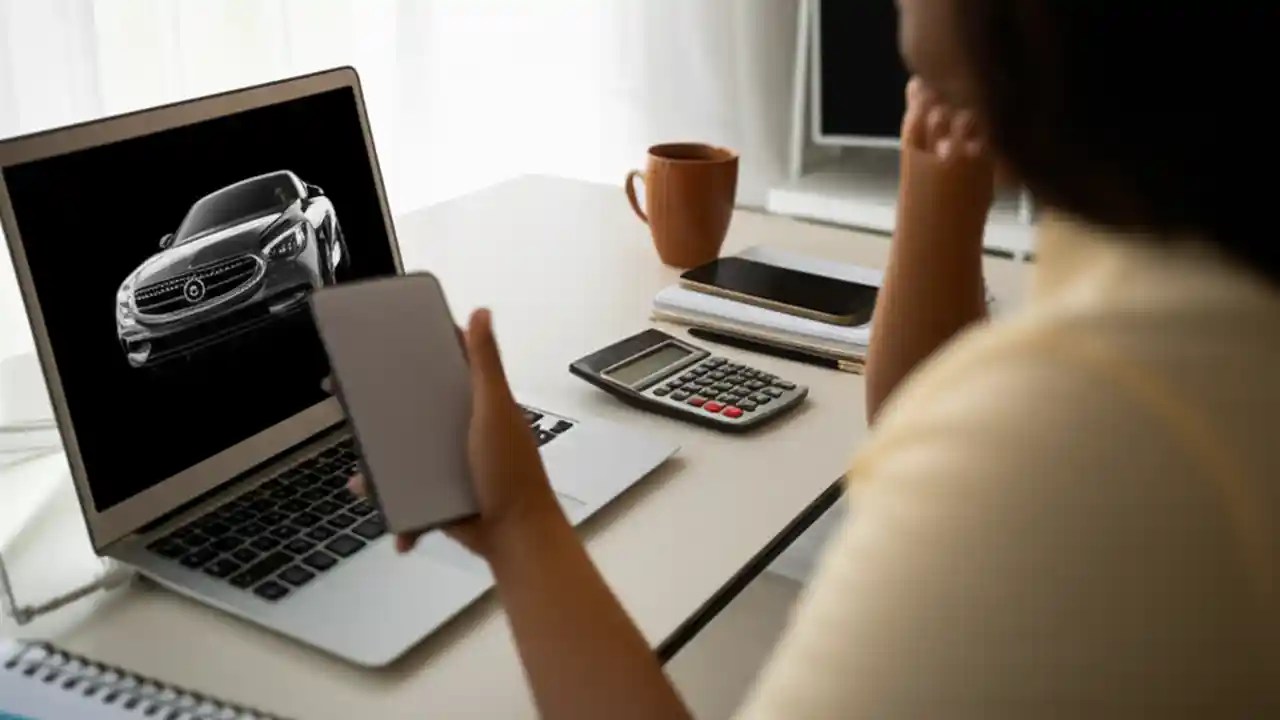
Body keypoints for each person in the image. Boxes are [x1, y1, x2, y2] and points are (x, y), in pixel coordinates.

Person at [358, 1, 1279, 716]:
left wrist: (520, 520)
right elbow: (919, 411)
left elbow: (961, 435)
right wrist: (951, 157)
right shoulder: (1181, 268)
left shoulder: (1076, 423)